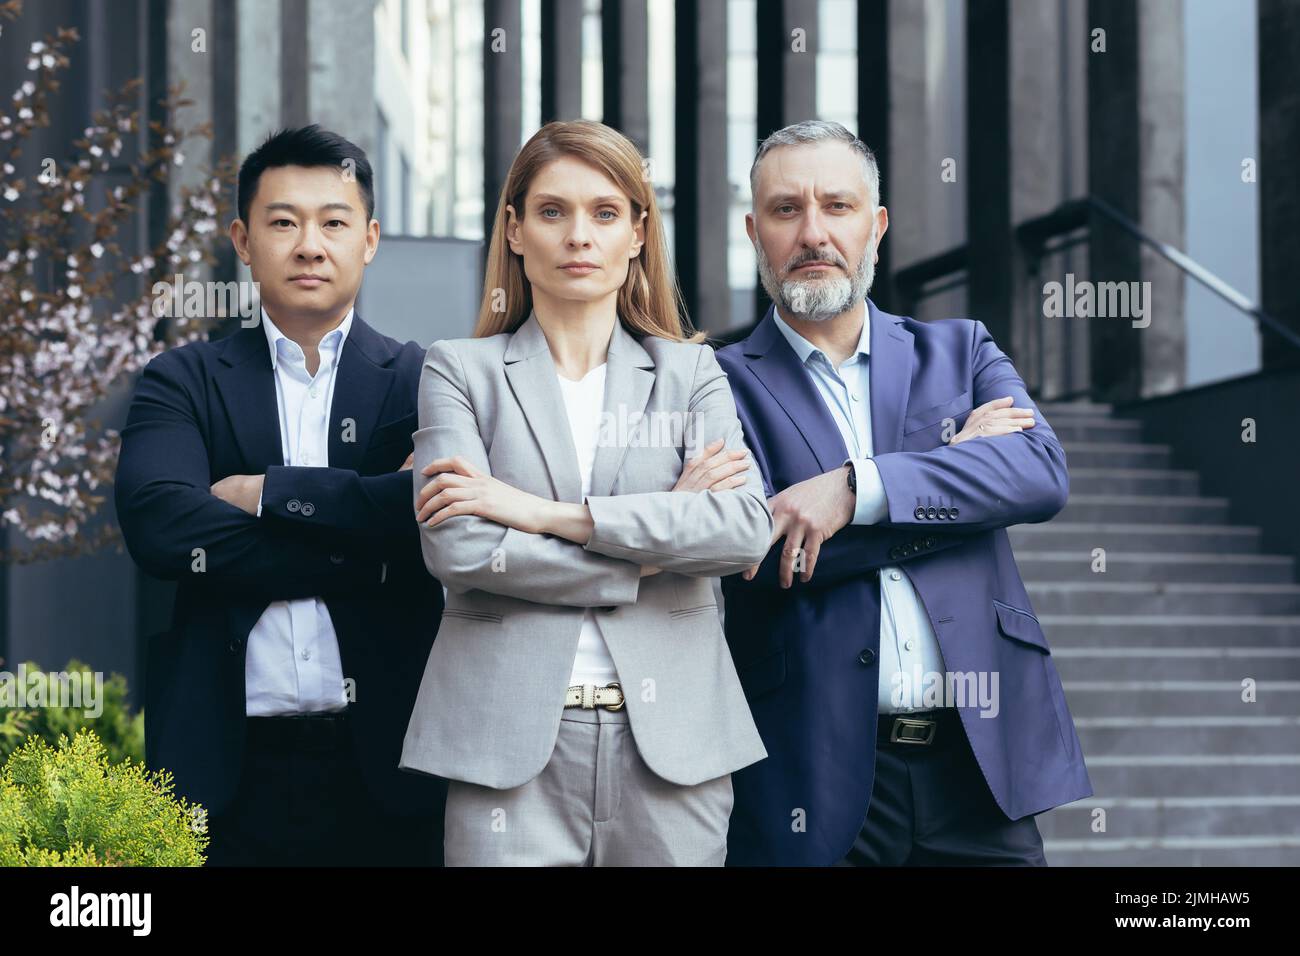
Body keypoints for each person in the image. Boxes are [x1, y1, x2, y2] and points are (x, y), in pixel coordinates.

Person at [716, 120, 1093, 866]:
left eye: (838, 207)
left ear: (876, 227)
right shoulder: (714, 382)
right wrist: (955, 484)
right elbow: (764, 555)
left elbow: (1040, 473)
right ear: (755, 230)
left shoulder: (961, 349)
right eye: (787, 210)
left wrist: (858, 488)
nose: (814, 232)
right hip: (811, 771)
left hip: (978, 768)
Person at [397, 119, 771, 866]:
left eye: (605, 213)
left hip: (674, 754)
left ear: (637, 233)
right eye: (552, 211)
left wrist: (535, 513)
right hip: (506, 757)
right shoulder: (459, 371)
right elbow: (461, 547)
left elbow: (739, 531)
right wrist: (658, 552)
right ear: (514, 229)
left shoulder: (689, 373)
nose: (579, 236)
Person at [115, 125, 445, 866]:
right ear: (243, 238)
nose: (309, 244)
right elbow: (164, 528)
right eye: (283, 221)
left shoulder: (426, 380)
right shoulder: (183, 379)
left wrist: (266, 494)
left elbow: (435, 517)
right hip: (223, 773)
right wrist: (365, 544)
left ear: (370, 238)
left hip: (389, 772)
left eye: (333, 221)